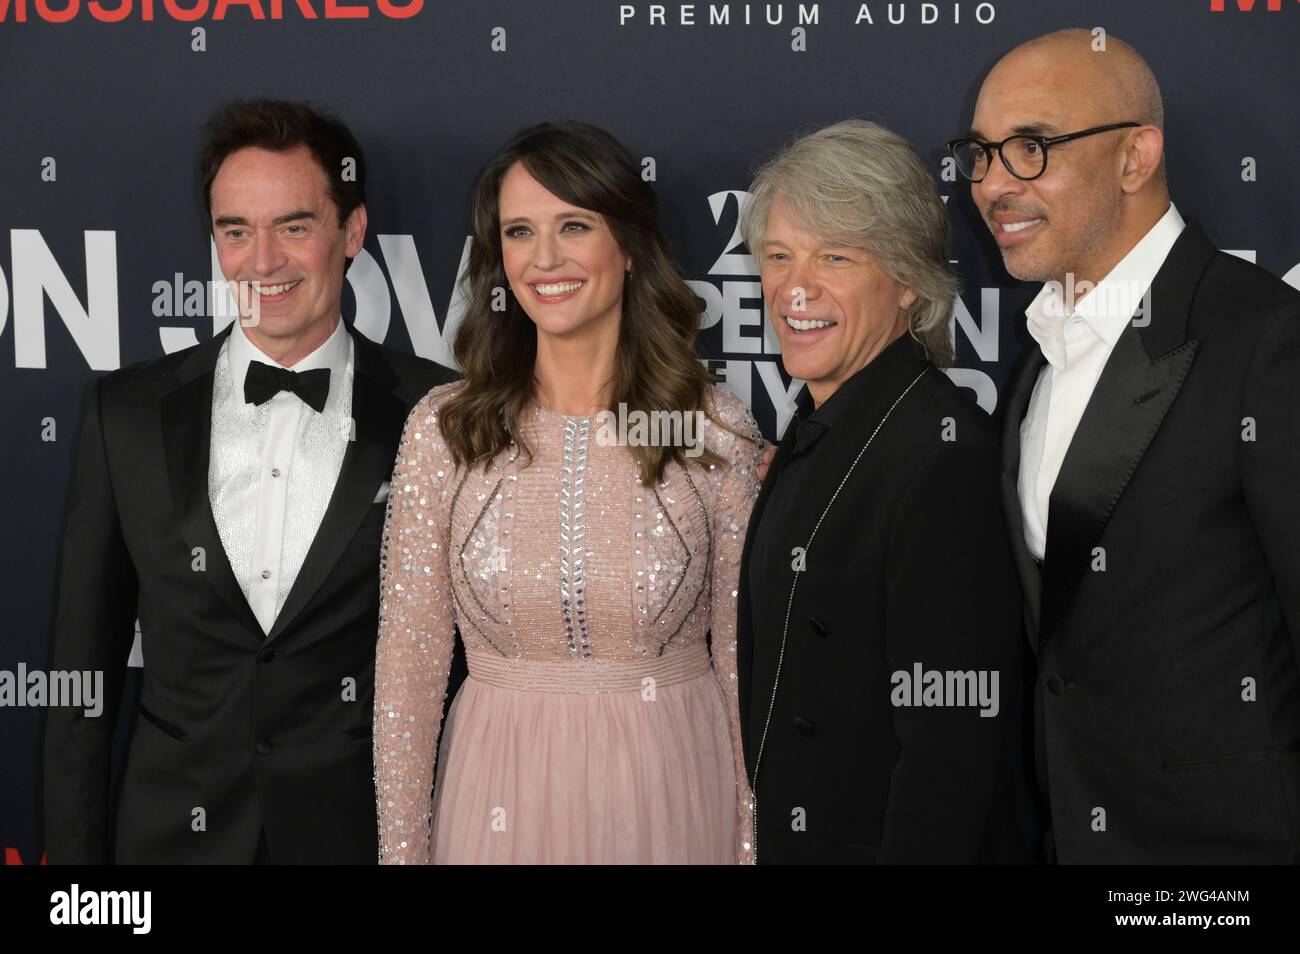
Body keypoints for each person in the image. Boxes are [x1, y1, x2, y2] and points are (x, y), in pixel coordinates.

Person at [42, 98, 455, 864]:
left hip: (360, 837)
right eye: (236, 231)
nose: (262, 262)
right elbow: (80, 681)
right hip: (170, 839)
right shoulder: (126, 413)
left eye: (294, 226)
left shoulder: (437, 413)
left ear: (351, 232)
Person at [373, 120, 763, 864]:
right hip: (494, 796)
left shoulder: (713, 429)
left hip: (673, 791)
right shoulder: (446, 430)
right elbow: (408, 679)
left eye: (573, 226)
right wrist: (403, 856)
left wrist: (750, 844)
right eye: (519, 232)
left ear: (628, 244)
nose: (544, 259)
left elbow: (743, 667)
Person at [955, 29, 1300, 863]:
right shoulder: (1037, 359)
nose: (994, 184)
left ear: (1136, 157)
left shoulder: (1265, 340)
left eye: (1031, 149)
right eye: (978, 154)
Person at [736, 120, 1033, 864]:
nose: (795, 288)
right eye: (778, 256)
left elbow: (952, 748)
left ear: (908, 280)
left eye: (835, 257)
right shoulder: (816, 428)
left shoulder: (943, 456)